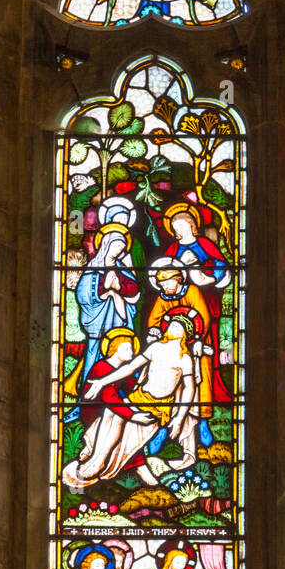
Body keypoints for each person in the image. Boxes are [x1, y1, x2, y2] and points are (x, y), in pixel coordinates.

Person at [76, 314, 199, 480]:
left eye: (178, 326)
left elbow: (189, 388)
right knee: (110, 413)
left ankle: (99, 462)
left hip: (158, 404)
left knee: (118, 415)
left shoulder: (184, 358)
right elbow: (130, 367)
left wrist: (179, 417)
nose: (172, 327)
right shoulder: (156, 347)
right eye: (172, 325)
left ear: (185, 334)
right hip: (140, 396)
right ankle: (97, 460)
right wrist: (102, 382)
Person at [161, 203, 231, 446]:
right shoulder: (172, 248)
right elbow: (163, 273)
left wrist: (204, 273)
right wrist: (180, 261)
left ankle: (202, 418)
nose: (177, 230)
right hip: (174, 313)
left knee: (202, 366)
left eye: (180, 225)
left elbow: (222, 268)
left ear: (191, 224)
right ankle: (168, 416)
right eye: (173, 227)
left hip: (204, 309)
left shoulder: (205, 245)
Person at [70, 224, 139, 389]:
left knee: (122, 353)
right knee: (95, 355)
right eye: (116, 246)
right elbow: (83, 292)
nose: (119, 250)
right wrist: (103, 292)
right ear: (106, 244)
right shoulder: (93, 268)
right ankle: (89, 396)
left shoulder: (122, 268)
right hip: (98, 321)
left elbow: (133, 288)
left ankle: (122, 392)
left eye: (122, 248)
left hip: (120, 321)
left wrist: (118, 288)